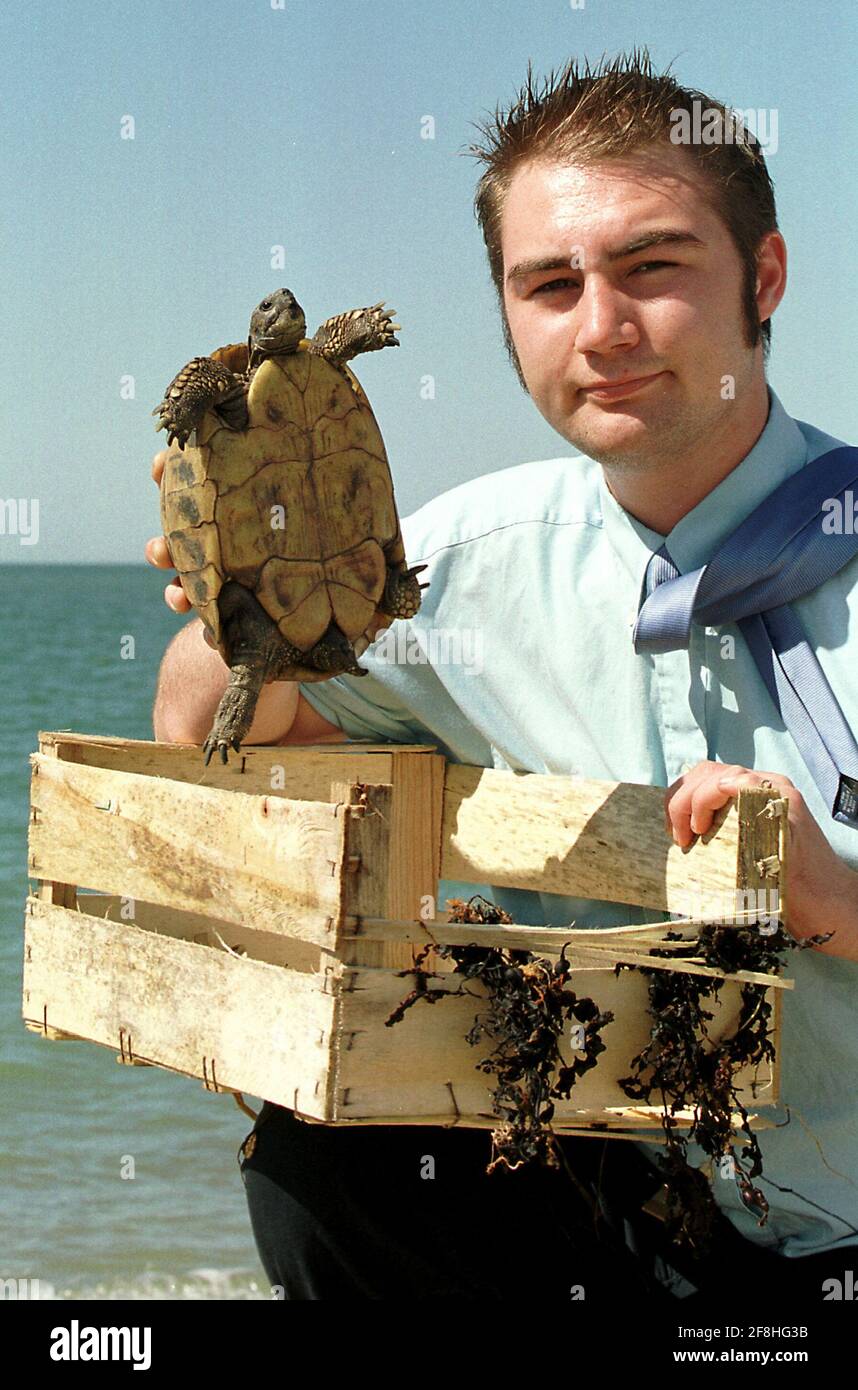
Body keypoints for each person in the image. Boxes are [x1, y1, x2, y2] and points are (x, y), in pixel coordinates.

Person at [147, 50, 858, 1302]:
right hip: (642, 1205)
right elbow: (222, 723)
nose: (602, 327)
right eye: (550, 284)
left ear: (766, 277)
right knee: (317, 1155)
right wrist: (234, 599)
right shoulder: (466, 568)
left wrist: (830, 896)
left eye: (653, 266)